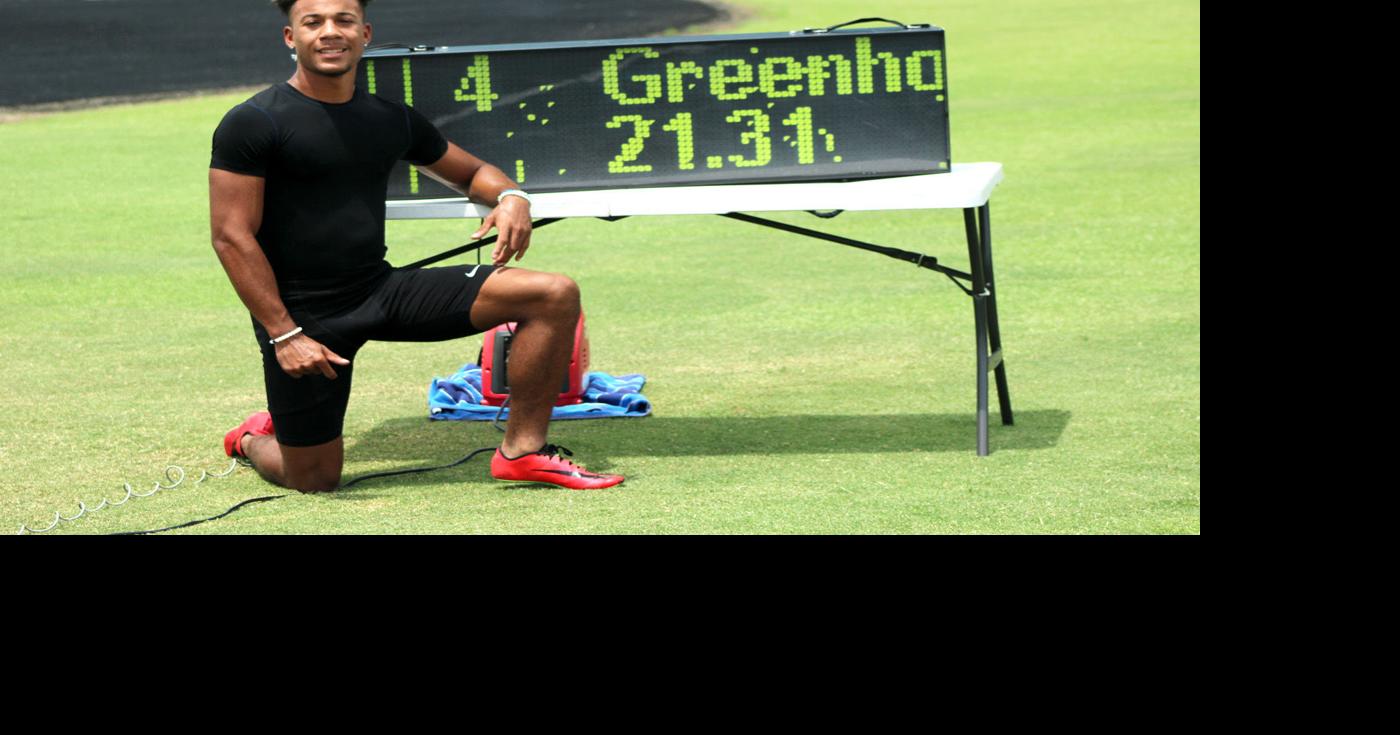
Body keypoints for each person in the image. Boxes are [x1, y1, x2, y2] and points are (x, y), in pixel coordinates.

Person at [210, 0, 623, 491]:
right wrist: (284, 334)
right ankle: (253, 437)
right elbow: (231, 235)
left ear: (364, 34)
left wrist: (511, 196)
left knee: (552, 293)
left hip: (380, 290)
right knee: (315, 480)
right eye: (313, 22)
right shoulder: (254, 121)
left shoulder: (389, 118)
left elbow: (471, 173)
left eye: (343, 21)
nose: (329, 32)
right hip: (304, 317)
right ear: (290, 37)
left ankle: (522, 452)